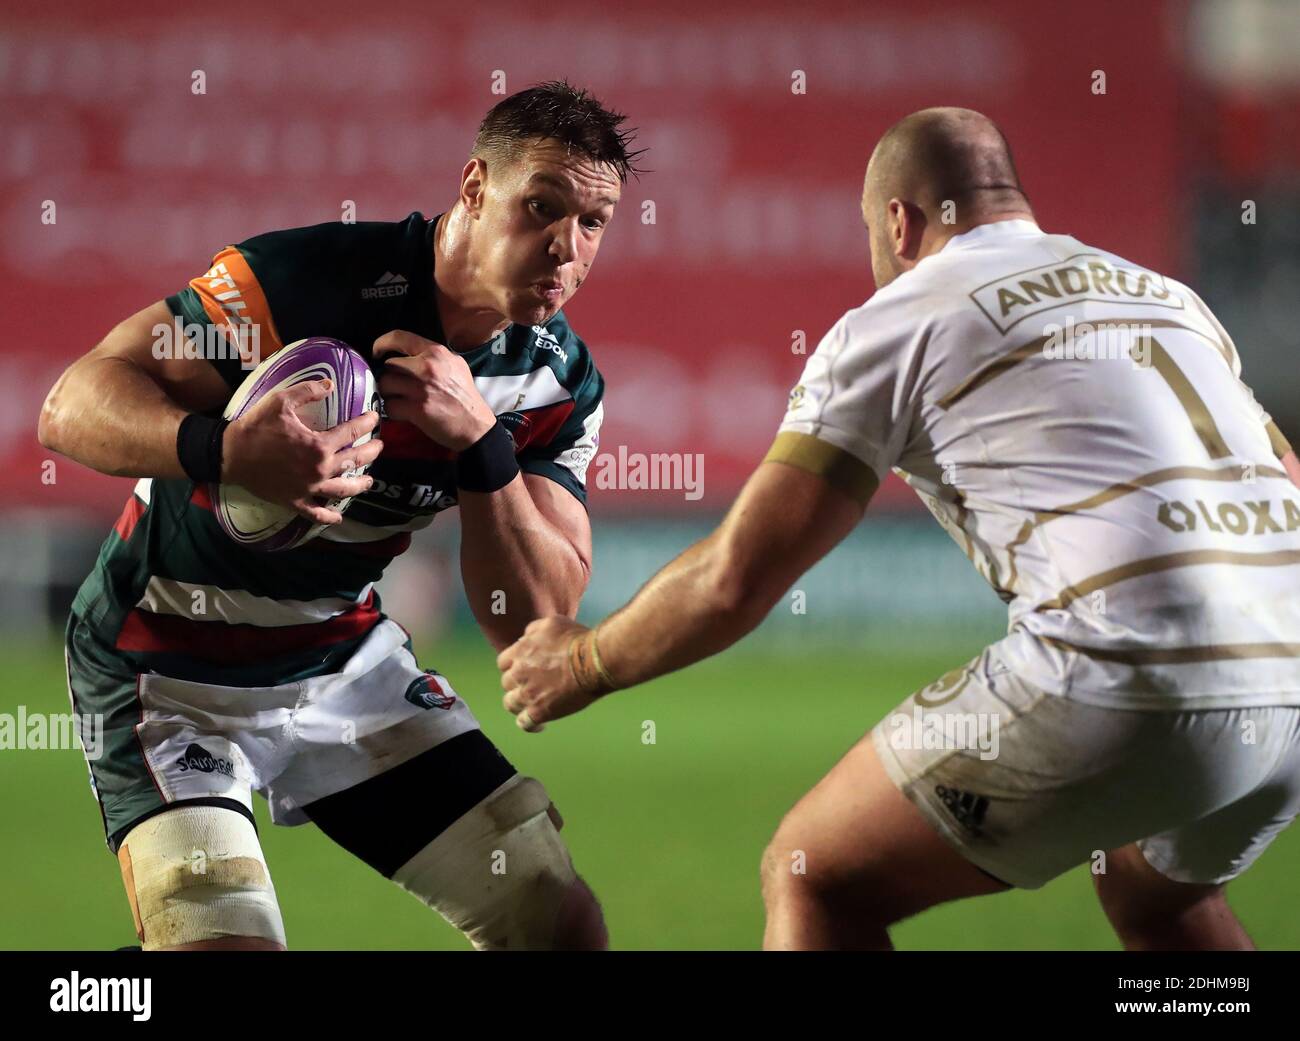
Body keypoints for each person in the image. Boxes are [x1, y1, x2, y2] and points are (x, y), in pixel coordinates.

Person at [496, 107, 1300, 951]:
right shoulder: (1167, 297)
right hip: (1288, 670)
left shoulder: (902, 317)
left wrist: (583, 663)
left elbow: (737, 577)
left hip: (1129, 664)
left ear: (898, 222)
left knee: (813, 874)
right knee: (1156, 896)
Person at [39, 80, 642, 951]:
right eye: (541, 207)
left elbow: (531, 621)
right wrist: (226, 448)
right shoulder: (306, 282)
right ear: (475, 187)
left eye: (593, 224)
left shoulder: (555, 383)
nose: (565, 248)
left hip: (339, 668)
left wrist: (482, 443)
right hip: (162, 668)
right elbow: (71, 403)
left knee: (559, 922)